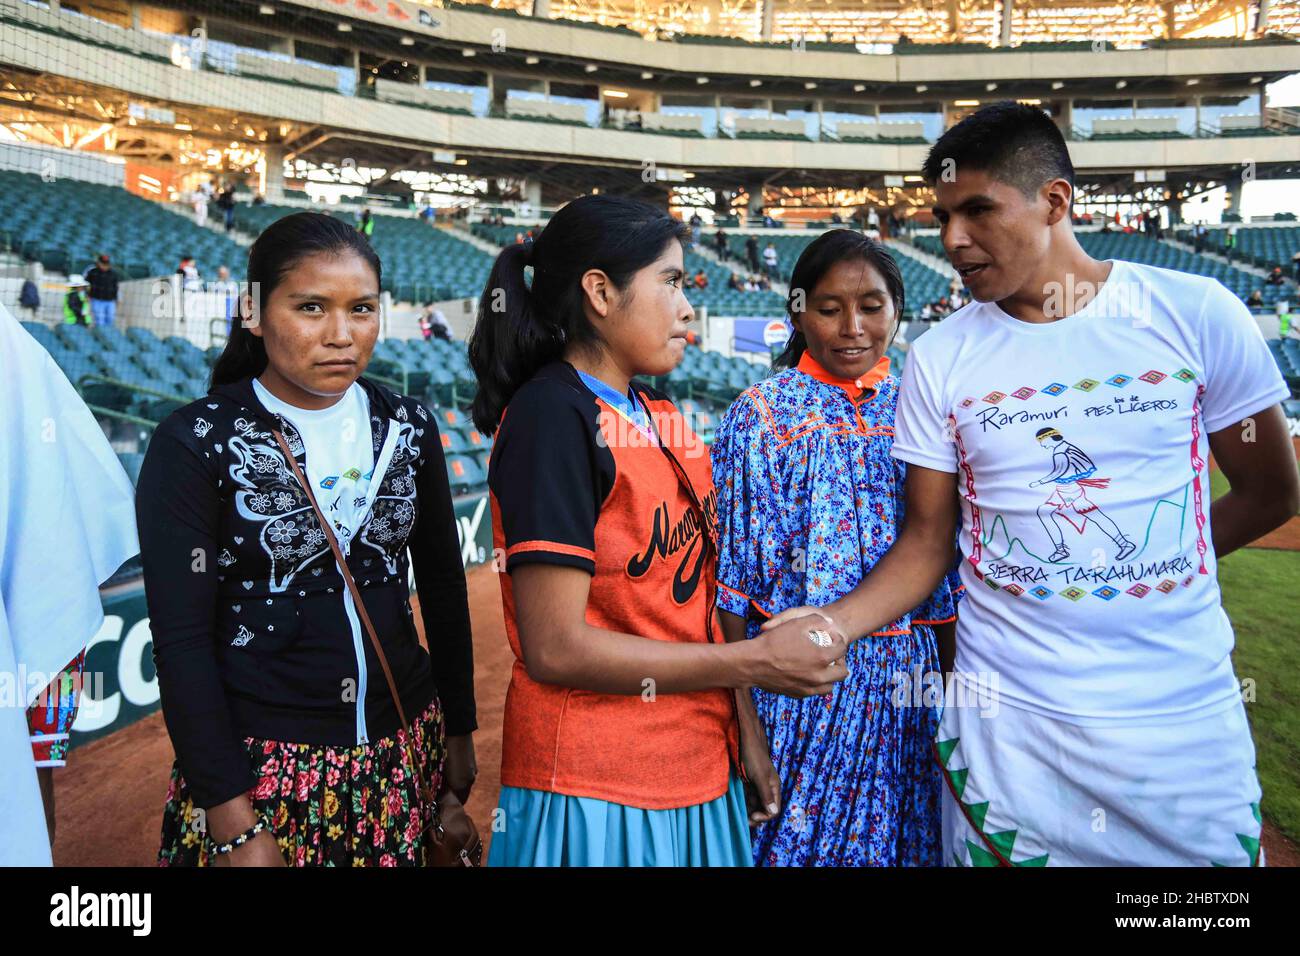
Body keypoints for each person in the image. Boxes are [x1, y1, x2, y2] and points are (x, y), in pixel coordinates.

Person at [760, 101, 1298, 866]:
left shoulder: (1196, 313)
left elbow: (1271, 491)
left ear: (1055, 201)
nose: (952, 238)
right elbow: (926, 542)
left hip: (1178, 726)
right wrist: (834, 625)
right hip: (1008, 733)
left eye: (977, 209)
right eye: (944, 215)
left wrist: (1151, 564)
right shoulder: (942, 357)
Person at [465, 194, 849, 867]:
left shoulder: (657, 410)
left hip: (696, 763)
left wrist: (745, 733)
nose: (687, 305)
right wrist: (755, 662)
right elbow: (556, 649)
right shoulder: (552, 414)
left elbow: (694, 604)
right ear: (600, 293)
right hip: (595, 783)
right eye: (670, 281)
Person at [137, 212, 478, 866]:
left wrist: (458, 728)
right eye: (311, 307)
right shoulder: (194, 441)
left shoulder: (407, 424)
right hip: (261, 769)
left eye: (362, 309)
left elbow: (441, 584)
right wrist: (232, 817)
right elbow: (180, 641)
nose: (341, 336)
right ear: (255, 313)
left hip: (401, 752)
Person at [712, 229, 961, 866]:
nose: (853, 327)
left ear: (896, 311)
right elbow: (732, 587)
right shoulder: (760, 414)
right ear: (798, 311)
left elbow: (944, 571)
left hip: (909, 688)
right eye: (829, 308)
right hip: (799, 685)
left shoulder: (921, 405)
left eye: (872, 307)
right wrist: (747, 728)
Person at [0, 304, 139, 865]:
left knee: (29, 781)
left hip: (31, 617)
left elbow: (58, 518)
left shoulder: (13, 349)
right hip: (34, 606)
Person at [84, 254, 120, 327]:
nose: (105, 266)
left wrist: (117, 298)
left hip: (110, 301)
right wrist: (86, 295)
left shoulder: (113, 273)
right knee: (99, 320)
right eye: (103, 264)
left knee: (111, 318)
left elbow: (115, 287)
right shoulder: (92, 272)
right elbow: (85, 284)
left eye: (107, 264)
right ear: (98, 263)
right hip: (97, 300)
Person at [212, 265, 240, 334]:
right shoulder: (216, 284)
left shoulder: (233, 284)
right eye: (221, 273)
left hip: (232, 306)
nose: (223, 275)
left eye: (224, 273)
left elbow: (232, 293)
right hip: (220, 308)